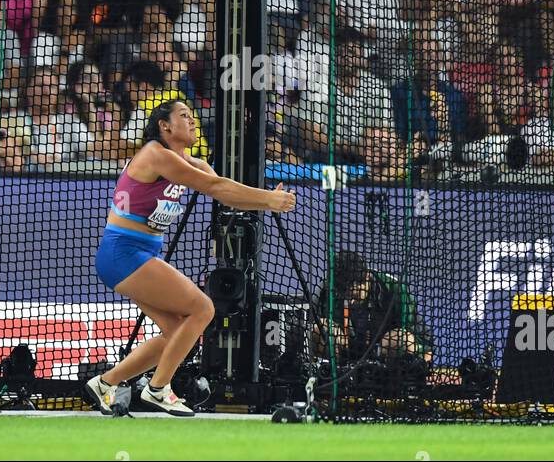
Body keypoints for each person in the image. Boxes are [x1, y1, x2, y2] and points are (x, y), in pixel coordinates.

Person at [84, 99, 296, 417]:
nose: (193, 120)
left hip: (133, 254)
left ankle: (106, 382)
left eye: (193, 115)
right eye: (184, 115)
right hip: (124, 252)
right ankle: (157, 389)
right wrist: (269, 200)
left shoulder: (188, 162)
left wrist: (267, 199)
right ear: (164, 126)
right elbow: (215, 186)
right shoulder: (156, 155)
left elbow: (222, 188)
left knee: (175, 332)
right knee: (203, 308)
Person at [310, 250, 433, 366]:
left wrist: (421, 363)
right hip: (345, 354)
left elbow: (423, 341)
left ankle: (396, 382)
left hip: (383, 359)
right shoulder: (325, 290)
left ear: (367, 277)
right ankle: (332, 380)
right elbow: (311, 330)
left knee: (402, 340)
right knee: (320, 329)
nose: (350, 301)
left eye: (354, 294)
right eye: (344, 296)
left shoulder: (394, 290)